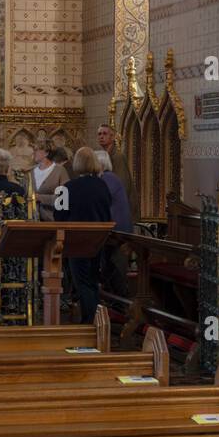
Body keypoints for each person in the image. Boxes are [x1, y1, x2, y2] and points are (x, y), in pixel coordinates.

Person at [62, 146, 112, 321]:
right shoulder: (102, 185)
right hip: (97, 239)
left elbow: (58, 215)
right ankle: (97, 320)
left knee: (81, 282)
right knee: (92, 281)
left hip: (76, 241)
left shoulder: (67, 187)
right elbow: (107, 212)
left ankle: (89, 322)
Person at [95, 148, 131, 298]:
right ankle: (113, 300)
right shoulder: (106, 178)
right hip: (110, 231)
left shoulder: (108, 178)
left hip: (117, 232)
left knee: (115, 268)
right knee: (108, 267)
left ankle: (121, 302)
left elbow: (100, 201)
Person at [97, 124, 139, 224]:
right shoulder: (104, 155)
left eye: (104, 134)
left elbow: (122, 183)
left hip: (120, 207)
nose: (101, 136)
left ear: (112, 137)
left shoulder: (118, 156)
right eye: (99, 134)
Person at [30, 141, 70, 221]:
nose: (33, 152)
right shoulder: (31, 172)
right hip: (31, 221)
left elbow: (64, 198)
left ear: (46, 153)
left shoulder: (60, 171)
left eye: (36, 150)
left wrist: (40, 198)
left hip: (53, 220)